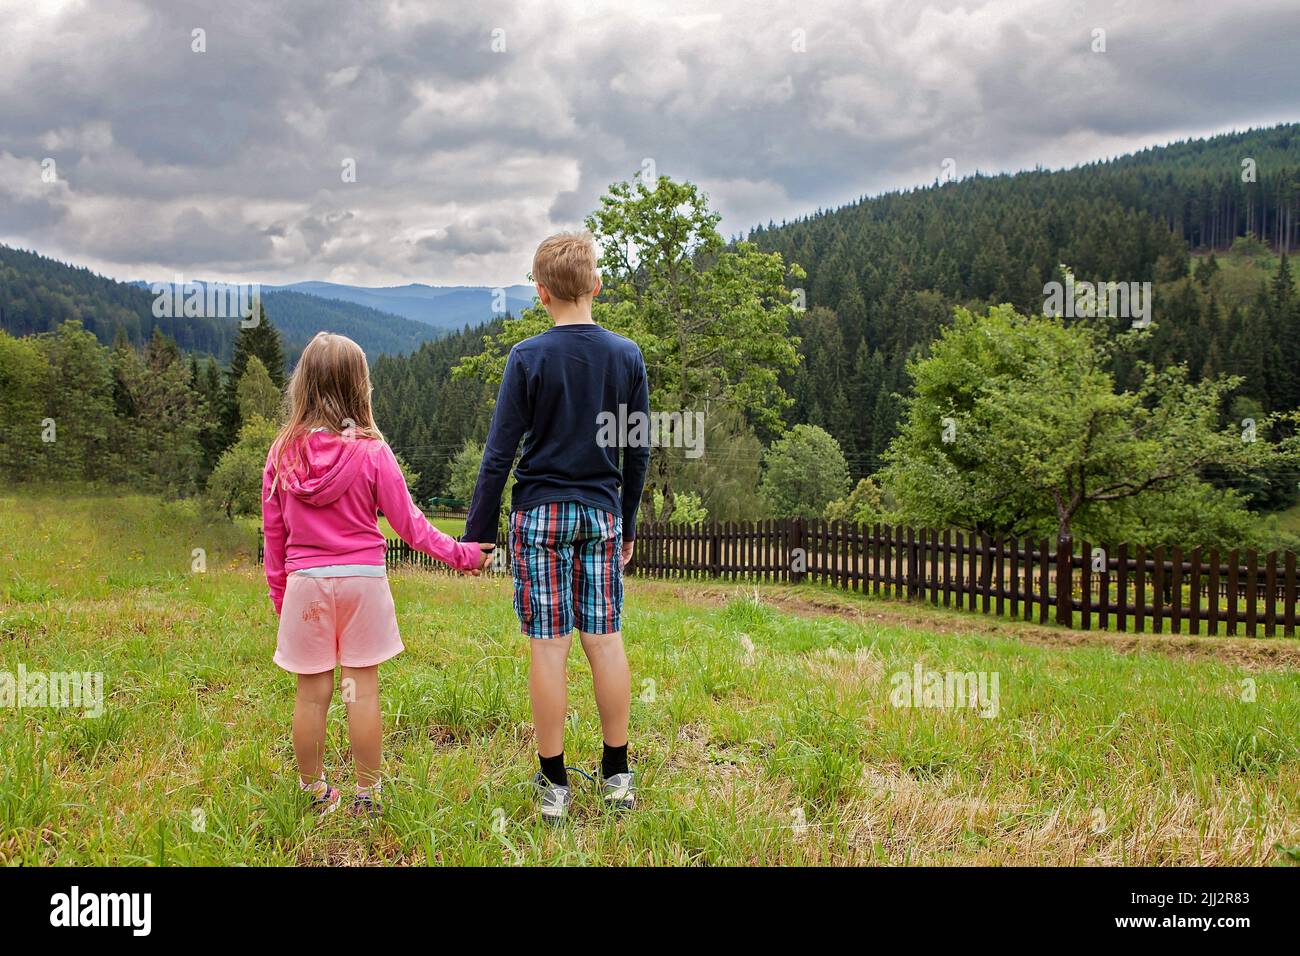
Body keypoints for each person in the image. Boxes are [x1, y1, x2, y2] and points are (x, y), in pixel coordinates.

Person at [262, 332, 492, 817]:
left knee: (312, 694)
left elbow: (274, 539)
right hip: (363, 582)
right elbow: (410, 526)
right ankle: (368, 795)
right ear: (359, 387)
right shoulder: (372, 452)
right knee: (361, 690)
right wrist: (464, 555)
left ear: (302, 385)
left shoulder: (282, 453)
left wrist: (283, 599)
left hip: (307, 584)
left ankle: (315, 792)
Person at [465, 231, 651, 823]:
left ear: (541, 293)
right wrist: (626, 523)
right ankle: (617, 773)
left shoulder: (527, 358)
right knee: (605, 641)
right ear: (597, 285)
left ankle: (554, 785)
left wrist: (477, 533)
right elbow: (637, 454)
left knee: (549, 648)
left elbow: (498, 454)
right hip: (600, 512)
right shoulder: (626, 357)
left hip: (539, 514)